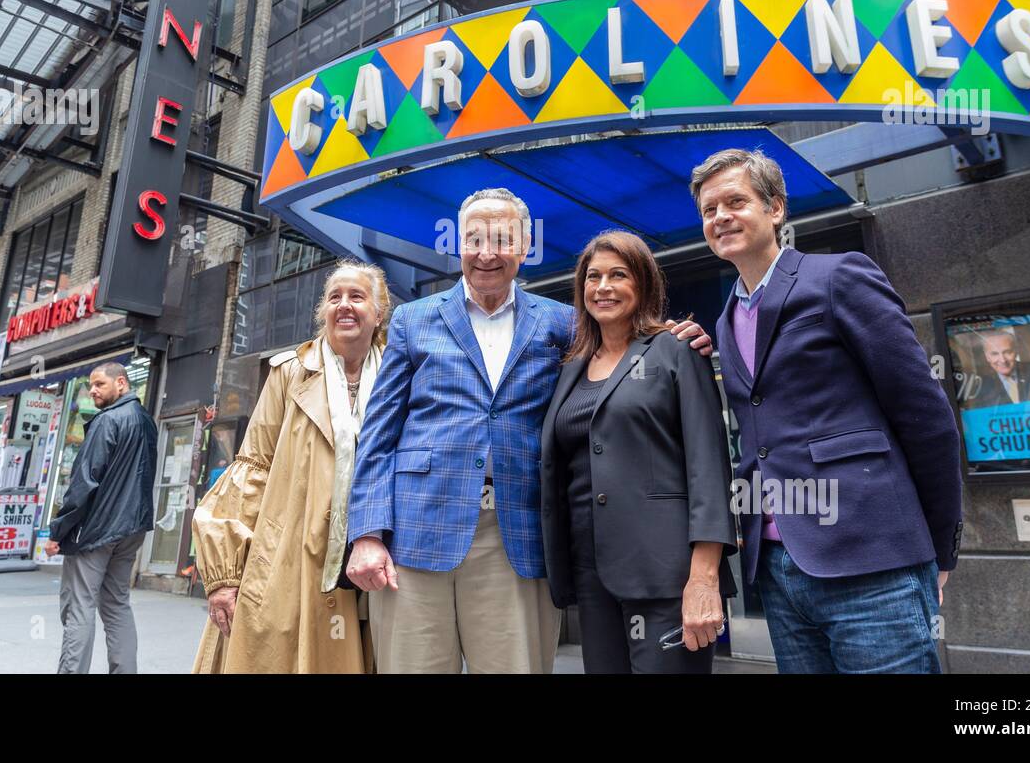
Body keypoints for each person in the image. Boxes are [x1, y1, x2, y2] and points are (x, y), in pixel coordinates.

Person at [346, 188, 712, 674]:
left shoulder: (563, 323)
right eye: (475, 238)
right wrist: (368, 533)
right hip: (416, 533)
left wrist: (674, 335)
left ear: (524, 247)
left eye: (502, 239)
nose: (487, 252)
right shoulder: (414, 320)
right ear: (459, 245)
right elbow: (378, 432)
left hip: (516, 533)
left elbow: (620, 352)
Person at [693, 148, 963, 674]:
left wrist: (939, 546)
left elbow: (926, 418)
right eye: (709, 210)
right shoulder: (725, 321)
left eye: (735, 201)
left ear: (775, 209)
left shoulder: (840, 277)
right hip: (777, 567)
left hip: (872, 559)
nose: (720, 217)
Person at [540, 230, 737, 673]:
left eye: (618, 275)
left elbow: (708, 468)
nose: (603, 286)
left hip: (667, 576)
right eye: (593, 277)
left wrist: (703, 579)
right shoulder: (570, 367)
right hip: (593, 576)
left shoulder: (675, 349)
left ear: (643, 283)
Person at [192, 260, 389, 673]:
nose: (345, 306)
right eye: (335, 297)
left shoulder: (397, 374)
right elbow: (253, 465)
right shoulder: (290, 373)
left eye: (357, 296)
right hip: (284, 560)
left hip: (369, 562)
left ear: (379, 311)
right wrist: (225, 574)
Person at [43, 361, 157, 674]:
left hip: (97, 529)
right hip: (131, 528)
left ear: (121, 383)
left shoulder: (108, 420)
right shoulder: (146, 421)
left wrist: (58, 531)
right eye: (91, 385)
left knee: (79, 607)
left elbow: (84, 483)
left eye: (99, 384)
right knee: (117, 604)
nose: (92, 390)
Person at [971, 329, 1030, 408]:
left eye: (1007, 352)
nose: (1003, 360)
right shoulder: (980, 387)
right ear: (987, 357)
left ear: (1016, 351)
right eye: (994, 354)